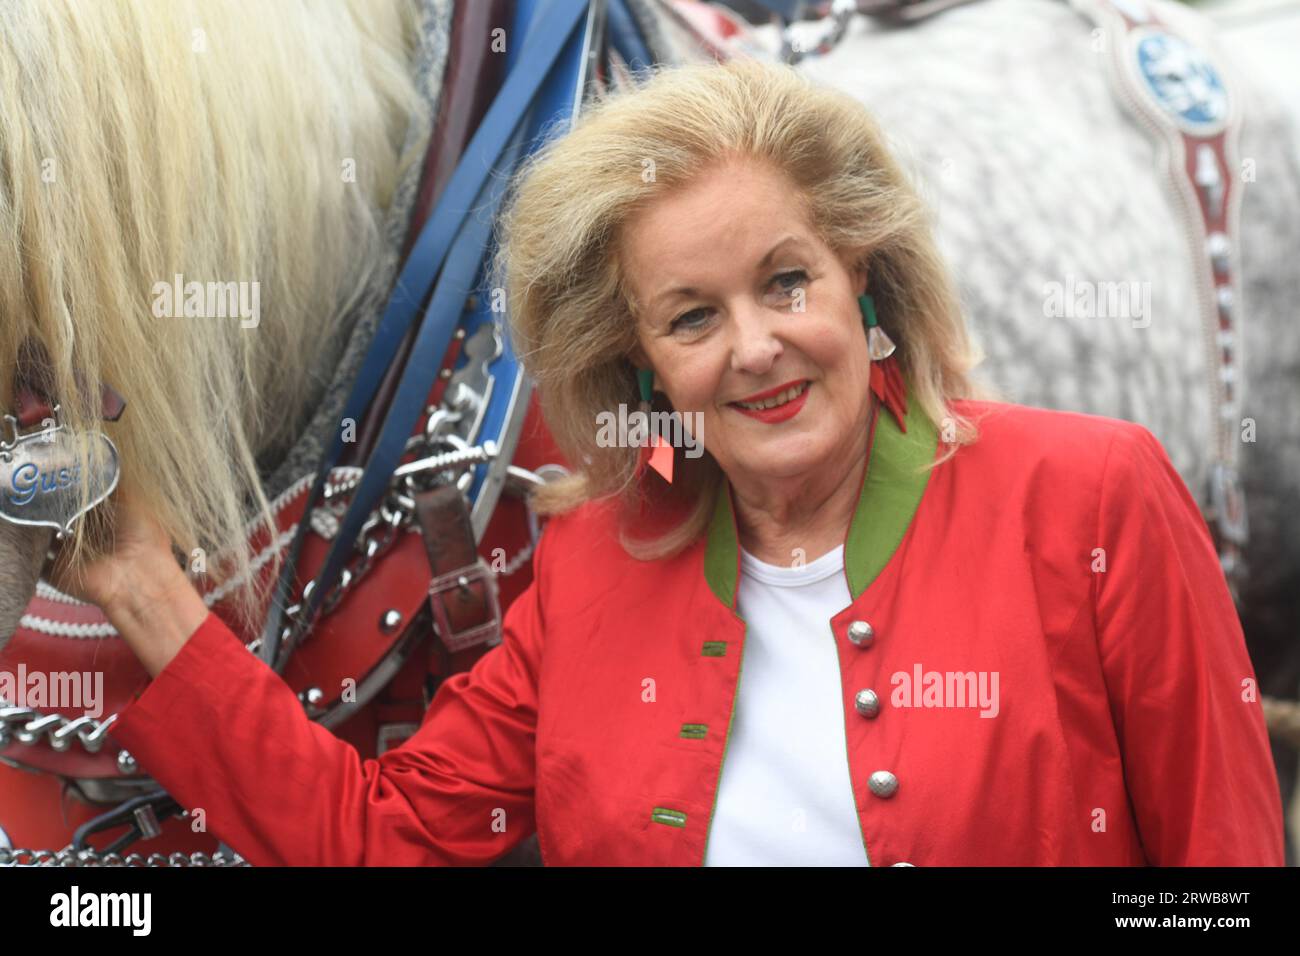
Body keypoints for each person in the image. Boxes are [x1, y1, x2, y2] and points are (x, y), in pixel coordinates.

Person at [52, 57, 1284, 866]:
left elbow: (1219, 870)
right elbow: (378, 842)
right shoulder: (588, 573)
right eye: (691, 317)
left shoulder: (1093, 495)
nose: (756, 347)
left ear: (863, 279)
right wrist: (149, 591)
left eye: (787, 280)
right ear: (637, 364)